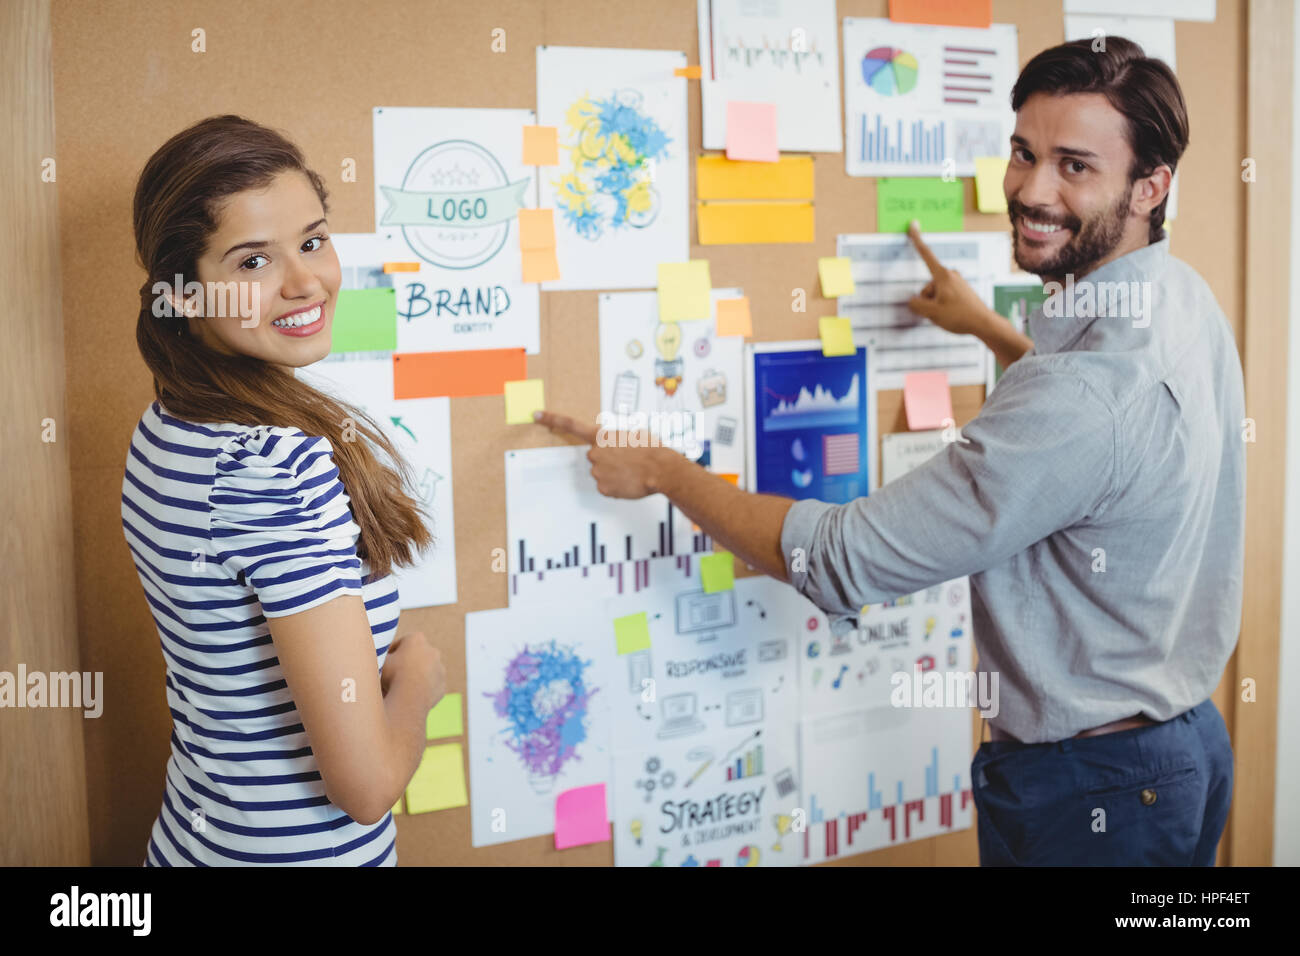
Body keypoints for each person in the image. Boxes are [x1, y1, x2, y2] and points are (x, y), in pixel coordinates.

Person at [536, 37, 1244, 866]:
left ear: (1149, 187)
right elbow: (1099, 450)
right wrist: (985, 327)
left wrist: (664, 471)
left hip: (1094, 793)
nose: (1031, 188)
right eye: (1023, 152)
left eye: (1075, 166)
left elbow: (840, 560)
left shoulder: (1083, 397)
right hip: (1185, 750)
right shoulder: (1181, 300)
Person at [122, 115, 445, 865]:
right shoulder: (275, 468)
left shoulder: (168, 424)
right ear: (184, 295)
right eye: (251, 262)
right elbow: (364, 788)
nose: (305, 282)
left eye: (311, 240)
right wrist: (419, 687)